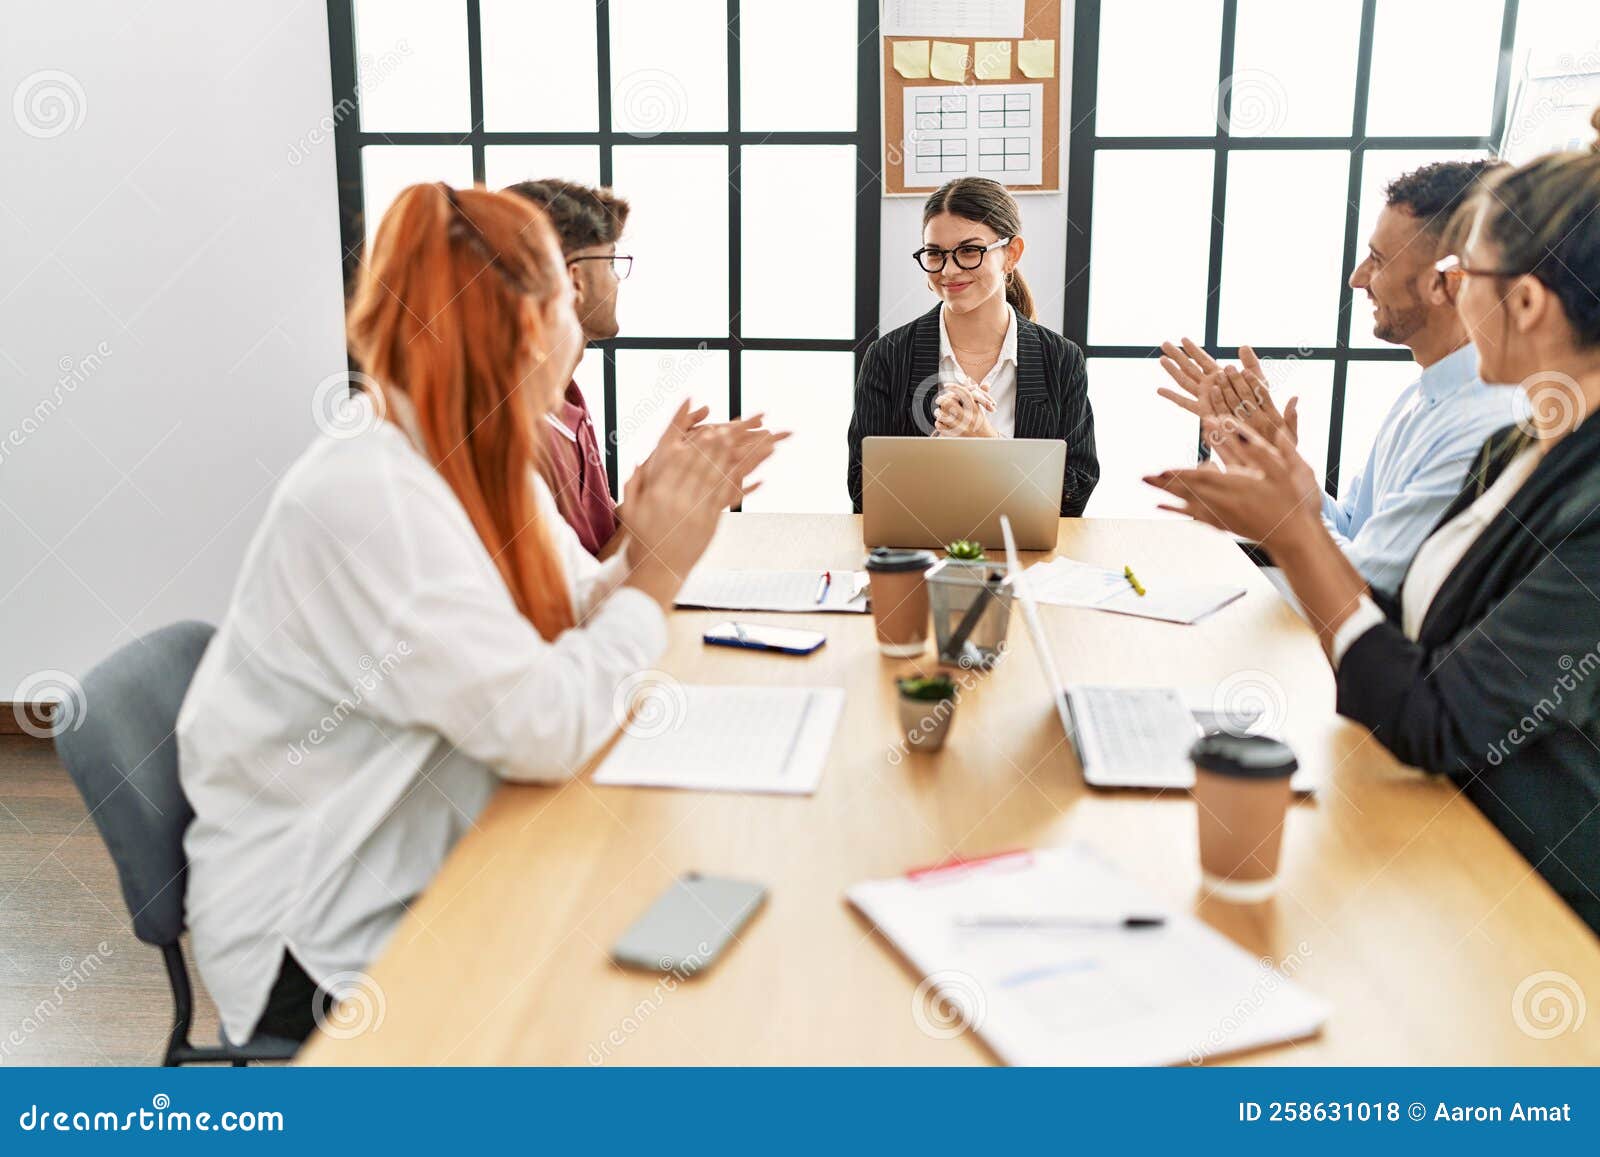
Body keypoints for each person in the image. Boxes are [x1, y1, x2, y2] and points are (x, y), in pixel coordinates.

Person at [175, 182, 785, 1045]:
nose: (582, 322)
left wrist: (643, 544)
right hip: (321, 930)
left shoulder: (466, 444)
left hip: (438, 832)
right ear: (534, 326)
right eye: (569, 303)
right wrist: (653, 575)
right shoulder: (371, 494)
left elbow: (572, 605)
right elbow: (542, 725)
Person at [1146, 119, 1600, 936]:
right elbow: (1407, 622)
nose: (1455, 294)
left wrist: (1288, 524)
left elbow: (1434, 710)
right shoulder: (1516, 445)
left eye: (1466, 274)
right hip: (1437, 837)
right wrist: (1282, 495)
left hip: (1535, 905)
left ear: (1525, 301)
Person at [1155, 160, 1519, 597]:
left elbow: (1364, 586)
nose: (1357, 278)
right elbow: (1352, 527)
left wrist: (1278, 502)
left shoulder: (1487, 427)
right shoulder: (1417, 398)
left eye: (1379, 261)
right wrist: (1273, 457)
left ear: (1448, 283)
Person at [846, 177, 1098, 516]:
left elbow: (1075, 492)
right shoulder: (888, 356)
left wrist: (985, 439)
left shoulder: (1060, 359)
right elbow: (863, 488)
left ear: (1011, 254)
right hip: (919, 553)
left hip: (1023, 556)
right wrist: (941, 442)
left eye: (969, 251)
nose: (949, 270)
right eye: (935, 254)